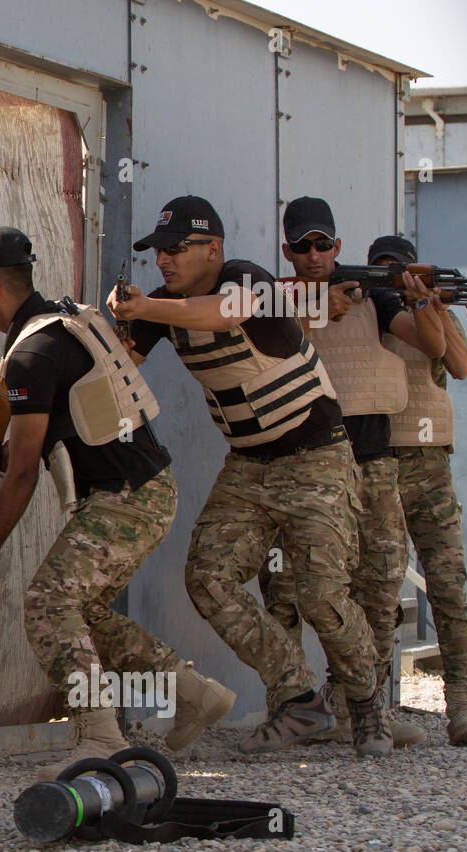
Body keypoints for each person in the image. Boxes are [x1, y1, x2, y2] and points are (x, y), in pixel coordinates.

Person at [0, 226, 236, 780]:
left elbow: (23, 472)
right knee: (87, 614)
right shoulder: (58, 323)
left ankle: (98, 734)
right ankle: (195, 695)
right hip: (144, 491)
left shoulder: (32, 352)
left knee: (49, 604)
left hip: (127, 499)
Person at [110, 195, 389, 757]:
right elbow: (121, 362)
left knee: (320, 594)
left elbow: (223, 313)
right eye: (157, 252)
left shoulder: (246, 279)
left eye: (175, 250)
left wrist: (146, 310)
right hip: (249, 467)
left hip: (317, 458)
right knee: (208, 578)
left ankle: (365, 703)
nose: (163, 262)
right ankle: (299, 701)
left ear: (212, 249)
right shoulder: (165, 305)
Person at [260, 199, 444, 748]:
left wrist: (425, 302)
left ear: (338, 247)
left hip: (371, 459)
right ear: (288, 251)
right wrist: (319, 306)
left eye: (323, 245)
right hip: (301, 462)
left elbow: (433, 347)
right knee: (287, 589)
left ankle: (356, 709)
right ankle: (292, 708)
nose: (314, 256)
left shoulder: (375, 295)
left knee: (381, 584)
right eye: (302, 246)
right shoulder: (274, 299)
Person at [375, 235, 467, 745]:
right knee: (378, 588)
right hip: (380, 462)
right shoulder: (367, 312)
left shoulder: (430, 310)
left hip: (430, 463)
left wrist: (428, 307)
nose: (393, 276)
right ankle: (374, 706)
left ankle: (461, 705)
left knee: (447, 587)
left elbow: (459, 366)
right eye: (384, 270)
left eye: (400, 268)